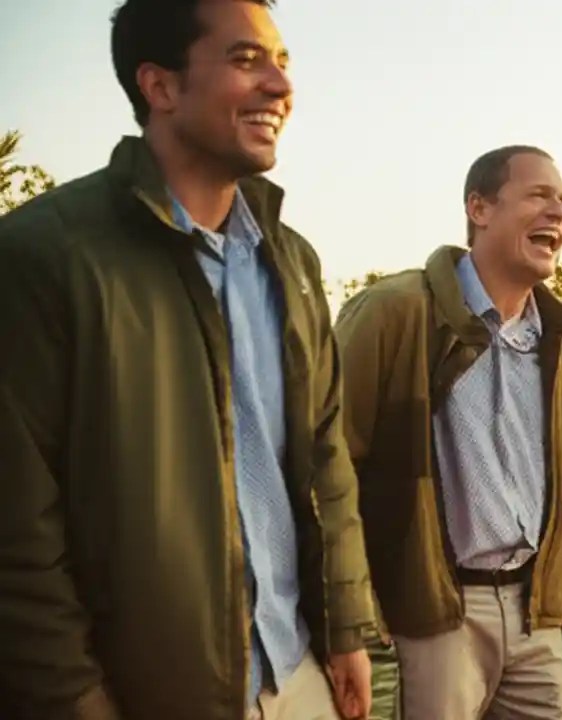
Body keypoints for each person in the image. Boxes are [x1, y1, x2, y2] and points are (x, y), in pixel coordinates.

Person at [0, 1, 379, 718]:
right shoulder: (42, 257)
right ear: (160, 86)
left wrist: (347, 627)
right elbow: (17, 533)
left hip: (299, 675)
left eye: (283, 62)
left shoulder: (292, 262)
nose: (279, 85)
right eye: (245, 60)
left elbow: (327, 460)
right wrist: (77, 702)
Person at [334, 145, 562, 720]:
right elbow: (328, 470)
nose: (558, 211)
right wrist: (353, 612)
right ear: (479, 208)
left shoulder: (555, 337)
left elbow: (559, 497)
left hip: (537, 616)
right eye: (538, 194)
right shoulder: (395, 312)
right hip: (435, 617)